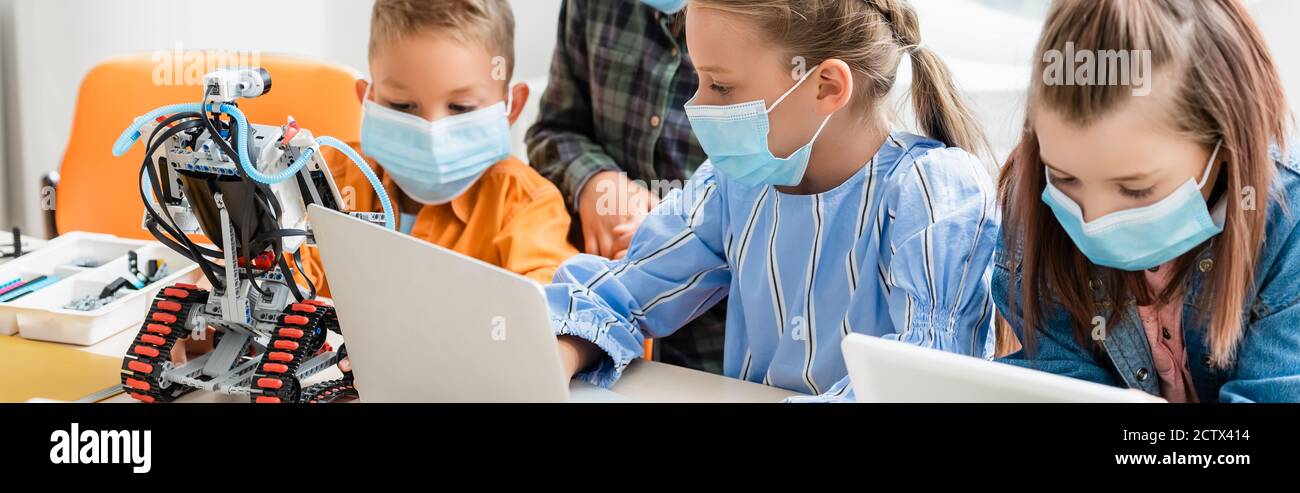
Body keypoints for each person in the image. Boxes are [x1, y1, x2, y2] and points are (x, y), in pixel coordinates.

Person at [547, 0, 1000, 401]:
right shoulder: (735, 184)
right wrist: (557, 356)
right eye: (698, 79)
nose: (695, 104)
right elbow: (625, 292)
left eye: (720, 86)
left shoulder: (932, 195)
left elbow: (917, 381)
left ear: (826, 86)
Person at [995, 0, 1299, 402]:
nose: (1093, 220)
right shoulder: (1033, 212)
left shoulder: (1287, 224)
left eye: (1136, 189)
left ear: (1224, 142)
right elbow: (1058, 387)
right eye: (1066, 178)